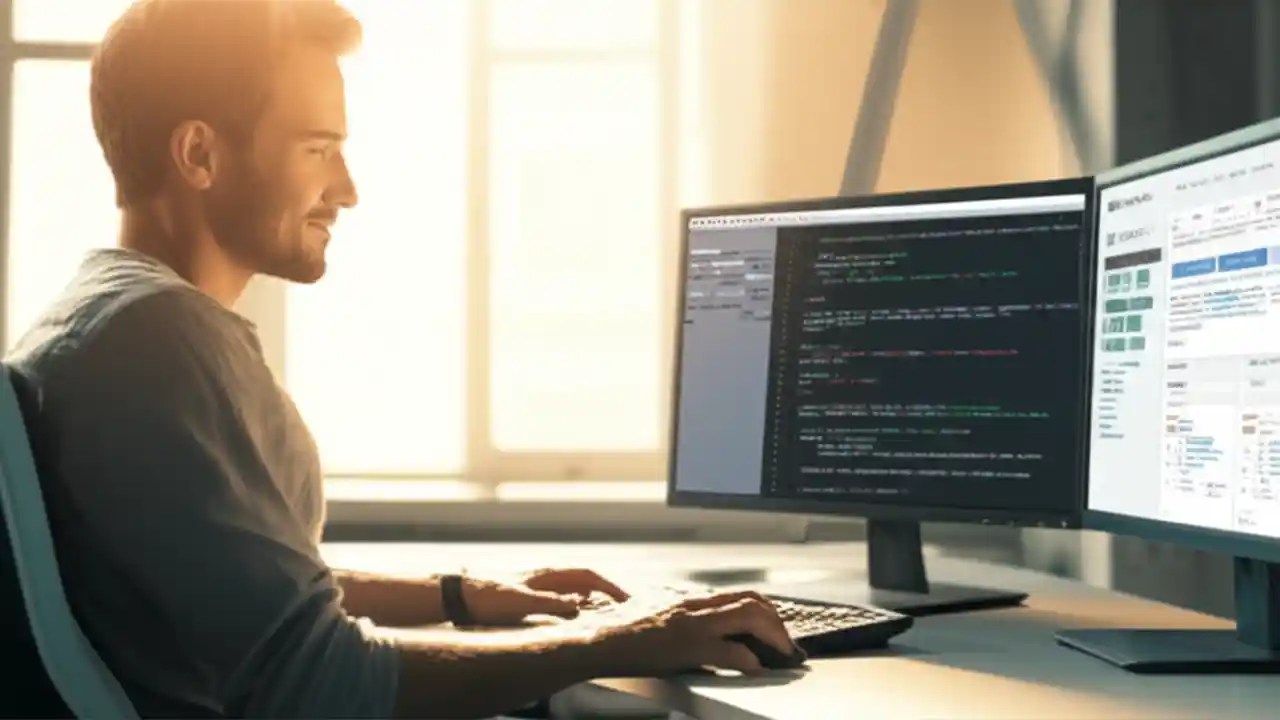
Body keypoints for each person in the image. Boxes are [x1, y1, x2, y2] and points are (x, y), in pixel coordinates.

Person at [4, 1, 799, 718]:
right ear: (199, 154)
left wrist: (456, 596)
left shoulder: (97, 319)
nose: (345, 189)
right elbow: (317, 681)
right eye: (317, 149)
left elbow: (237, 587)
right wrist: (623, 641)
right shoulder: (156, 347)